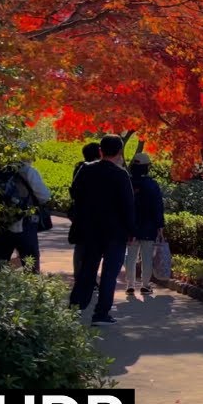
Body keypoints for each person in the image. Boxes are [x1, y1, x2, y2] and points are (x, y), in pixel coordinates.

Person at [68, 135, 136, 325]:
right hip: (116, 232)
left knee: (87, 270)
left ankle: (76, 307)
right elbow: (128, 205)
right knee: (109, 274)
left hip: (90, 229)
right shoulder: (121, 174)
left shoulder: (86, 170)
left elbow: (75, 193)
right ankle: (101, 313)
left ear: (100, 150)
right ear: (120, 151)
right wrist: (131, 230)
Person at [0, 143, 51, 273]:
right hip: (23, 223)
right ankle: (32, 291)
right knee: (30, 265)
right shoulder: (28, 171)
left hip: (0, 225)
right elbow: (44, 196)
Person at [124, 153, 165, 296]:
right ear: (146, 167)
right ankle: (145, 285)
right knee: (147, 257)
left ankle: (130, 285)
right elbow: (158, 207)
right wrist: (160, 226)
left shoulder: (127, 183)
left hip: (131, 227)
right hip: (148, 227)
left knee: (131, 256)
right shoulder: (152, 185)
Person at [70, 142, 101, 277]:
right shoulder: (94, 169)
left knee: (80, 246)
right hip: (93, 214)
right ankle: (88, 277)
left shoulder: (79, 168)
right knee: (92, 247)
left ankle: (79, 275)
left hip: (80, 213)